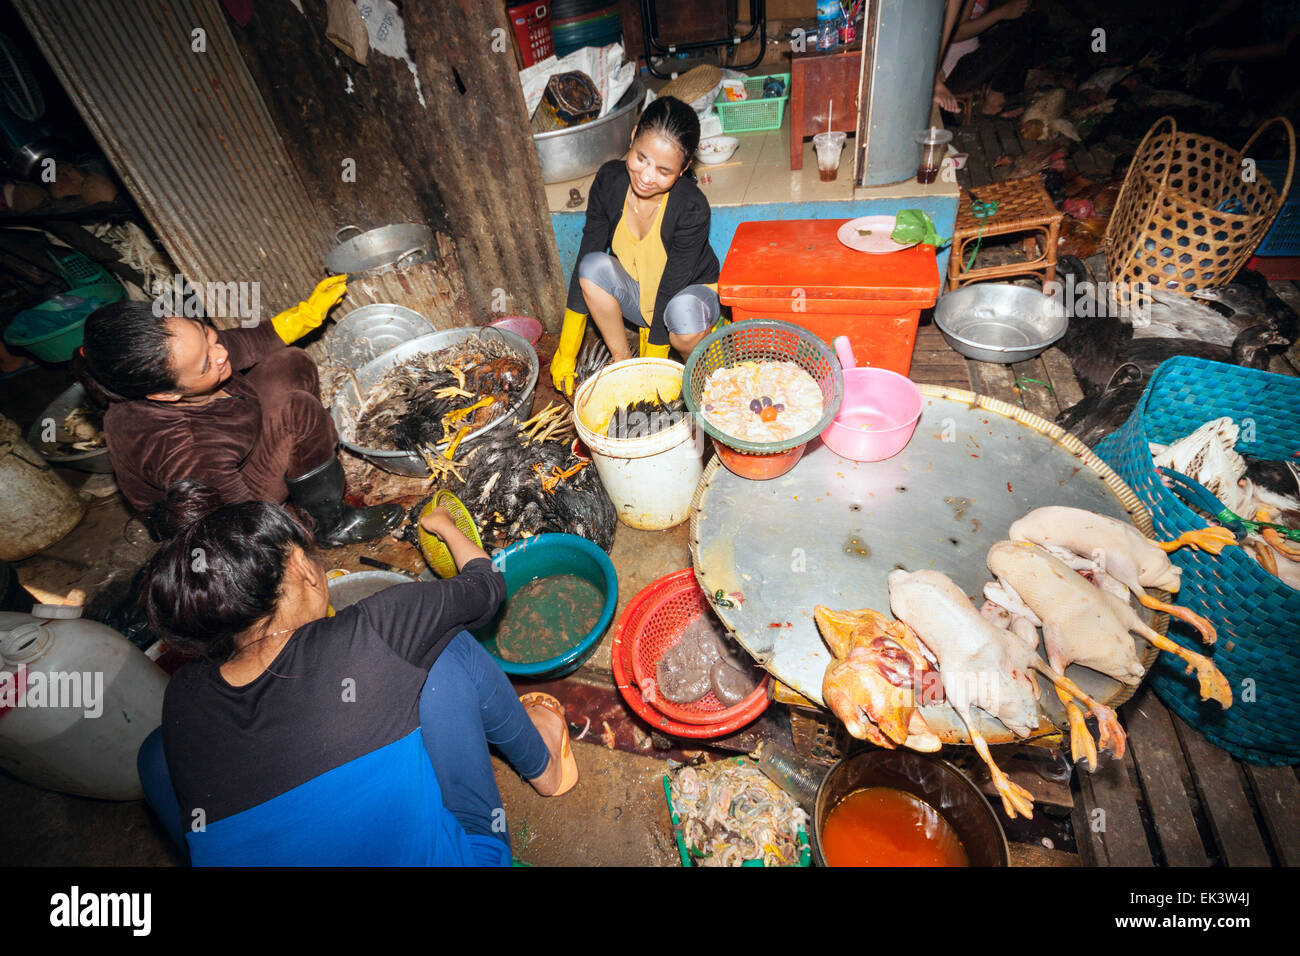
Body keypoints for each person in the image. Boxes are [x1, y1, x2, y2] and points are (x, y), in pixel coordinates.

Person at [135, 480, 578, 866]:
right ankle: (546, 767)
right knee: (445, 650)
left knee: (157, 755)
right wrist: (444, 525)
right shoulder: (377, 628)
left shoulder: (185, 695)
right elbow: (486, 586)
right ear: (302, 569)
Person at [79, 277, 403, 545]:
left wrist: (307, 314)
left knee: (290, 362)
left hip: (233, 435)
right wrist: (282, 544)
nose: (220, 352)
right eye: (207, 363)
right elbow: (240, 520)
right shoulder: (185, 451)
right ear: (165, 395)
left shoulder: (184, 356)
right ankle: (330, 524)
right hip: (224, 508)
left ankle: (305, 463)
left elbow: (248, 342)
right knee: (299, 411)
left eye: (205, 334)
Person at [550, 95, 721, 396]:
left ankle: (701, 368)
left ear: (683, 168)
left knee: (682, 317)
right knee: (591, 267)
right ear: (633, 136)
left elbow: (669, 292)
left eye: (664, 170)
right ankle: (623, 363)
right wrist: (566, 353)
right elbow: (585, 257)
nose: (646, 176)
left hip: (687, 297)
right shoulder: (609, 181)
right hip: (642, 291)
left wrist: (651, 373)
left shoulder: (691, 208)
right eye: (641, 157)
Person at [934, 0, 1036, 117]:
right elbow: (956, 33)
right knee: (1021, 27)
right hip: (949, 72)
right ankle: (996, 97)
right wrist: (1001, 13)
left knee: (1027, 23)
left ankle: (997, 93)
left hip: (968, 62)